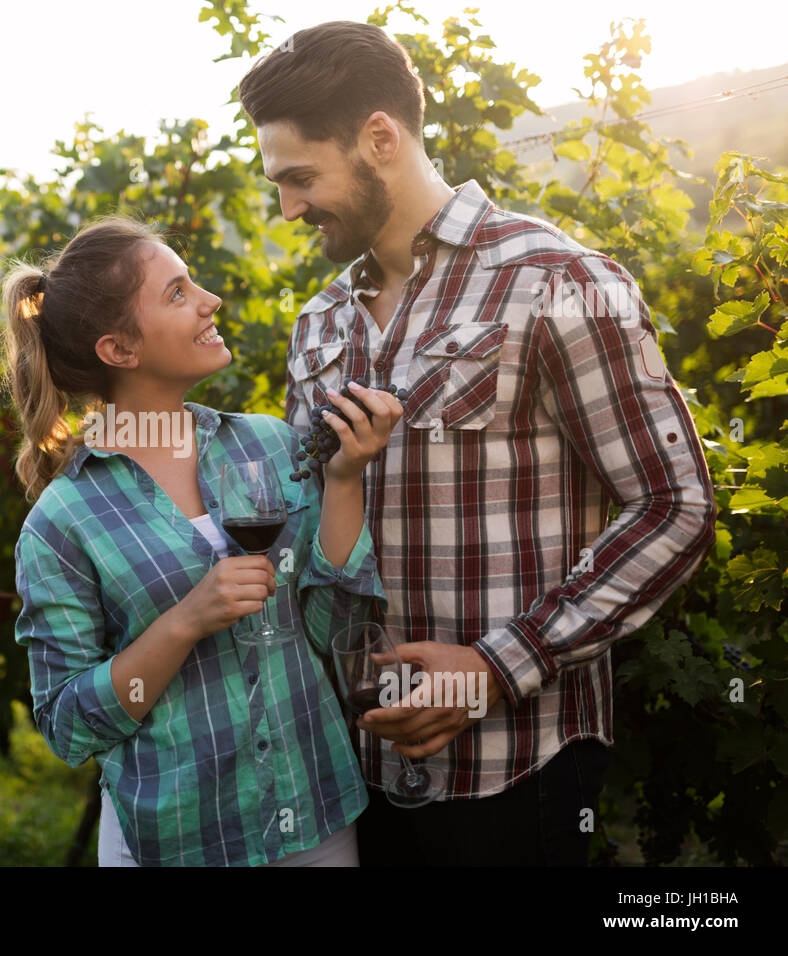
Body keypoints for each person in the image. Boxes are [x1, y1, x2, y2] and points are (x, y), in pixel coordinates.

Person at [237, 21, 717, 865]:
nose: (289, 207)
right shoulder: (318, 325)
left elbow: (674, 506)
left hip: (513, 769)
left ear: (379, 137)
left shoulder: (555, 281)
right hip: (350, 772)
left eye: (300, 177)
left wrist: (496, 667)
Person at [3, 216, 401, 866]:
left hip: (314, 812)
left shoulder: (268, 447)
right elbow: (70, 726)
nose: (210, 300)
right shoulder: (63, 521)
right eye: (178, 293)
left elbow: (335, 630)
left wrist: (346, 478)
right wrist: (185, 622)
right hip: (181, 837)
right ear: (120, 350)